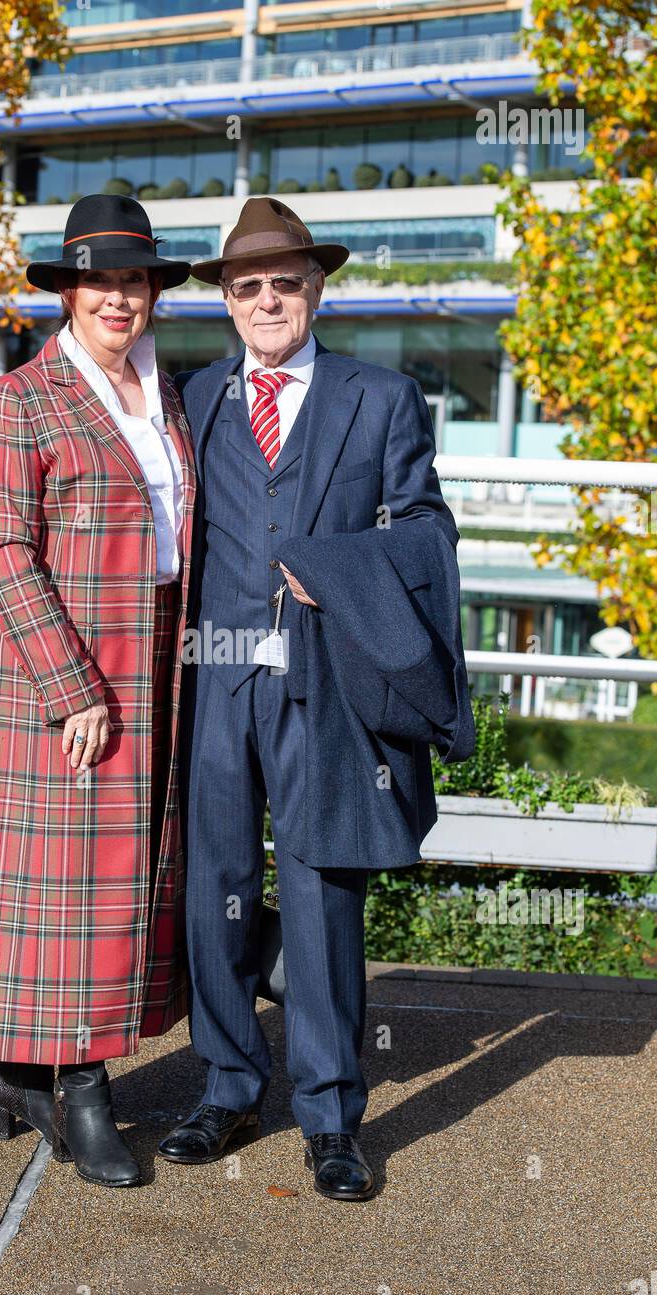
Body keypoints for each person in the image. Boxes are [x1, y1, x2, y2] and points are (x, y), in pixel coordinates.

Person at [157, 197, 471, 1201]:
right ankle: (227, 1084)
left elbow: (426, 534)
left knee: (324, 893)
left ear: (315, 288)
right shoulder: (194, 400)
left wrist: (333, 567)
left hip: (320, 682)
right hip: (213, 678)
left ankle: (332, 1115)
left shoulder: (378, 398)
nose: (265, 301)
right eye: (245, 286)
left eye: (283, 283)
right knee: (215, 886)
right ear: (224, 300)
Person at [0, 194, 196, 1188]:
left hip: (158, 663)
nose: (119, 298)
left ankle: (16, 1074)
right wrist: (71, 685)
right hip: (58, 681)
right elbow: (2, 549)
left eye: (134, 280)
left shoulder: (162, 397)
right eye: (100, 280)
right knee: (76, 894)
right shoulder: (21, 399)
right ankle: (78, 1092)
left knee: (118, 884)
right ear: (68, 291)